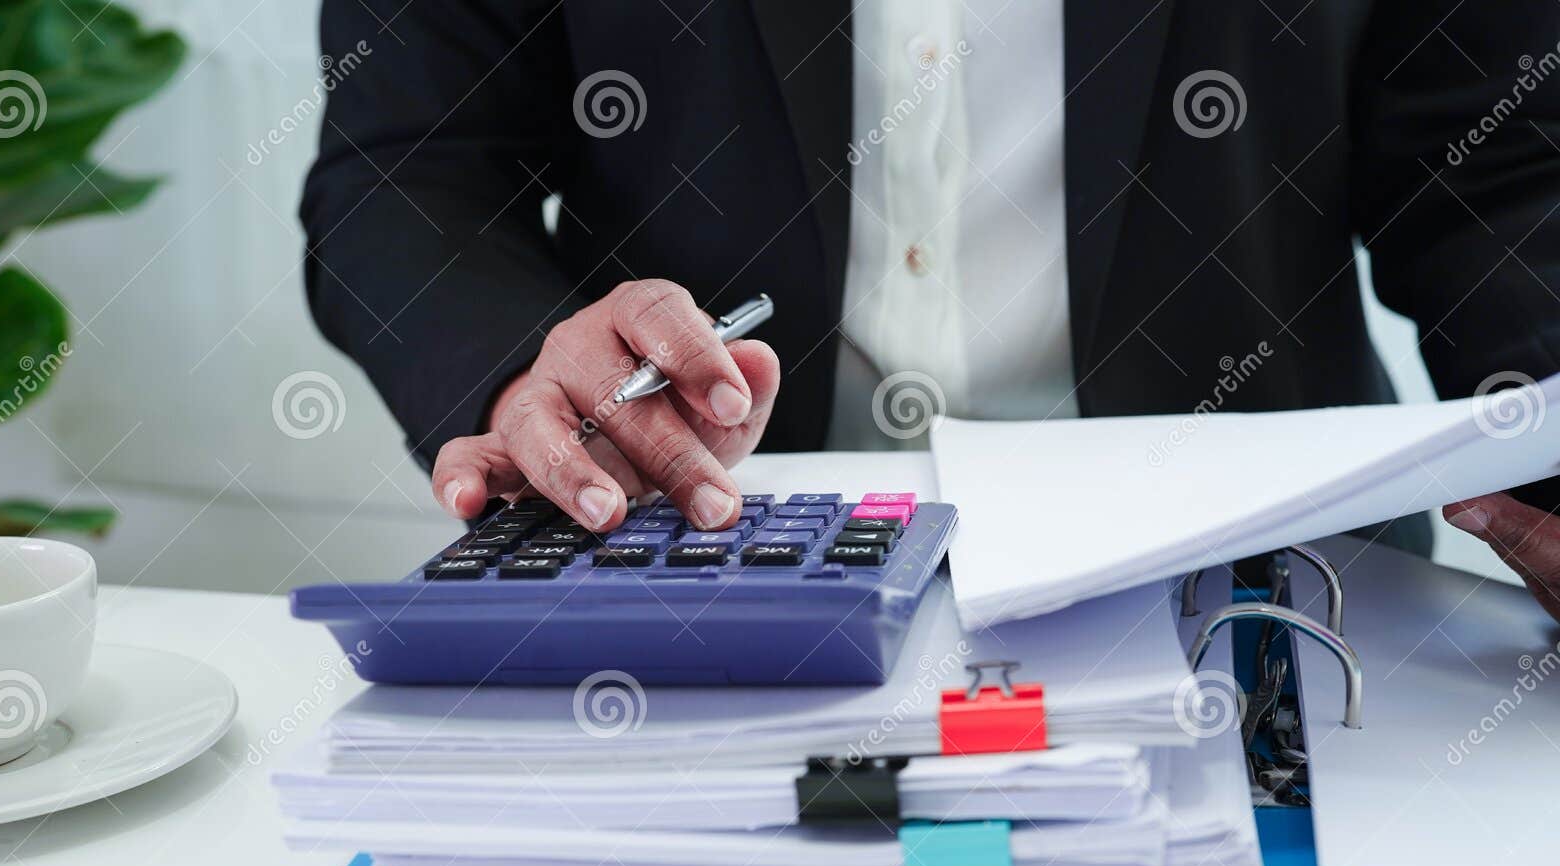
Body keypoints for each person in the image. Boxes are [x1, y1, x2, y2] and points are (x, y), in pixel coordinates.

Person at [300, 1, 1560, 614]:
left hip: (1264, 593)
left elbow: (1500, 169)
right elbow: (413, 169)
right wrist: (532, 375)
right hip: (697, 560)